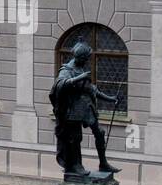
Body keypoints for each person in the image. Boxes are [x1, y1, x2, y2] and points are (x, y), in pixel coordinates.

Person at [49, 41, 119, 174]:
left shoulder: (81, 68)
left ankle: (103, 163)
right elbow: (59, 85)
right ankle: (76, 165)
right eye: (86, 59)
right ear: (80, 58)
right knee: (75, 138)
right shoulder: (67, 70)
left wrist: (110, 99)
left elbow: (91, 89)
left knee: (100, 133)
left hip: (87, 107)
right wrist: (79, 77)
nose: (87, 61)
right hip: (74, 111)